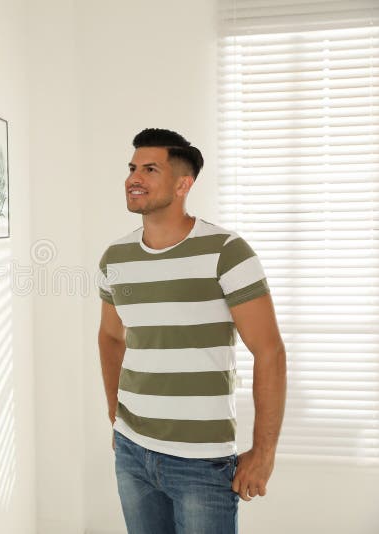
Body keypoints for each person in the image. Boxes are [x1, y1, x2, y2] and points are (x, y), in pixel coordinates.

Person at [97, 128, 287, 533]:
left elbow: (269, 351)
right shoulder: (116, 257)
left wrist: (264, 454)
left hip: (201, 461)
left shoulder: (226, 251)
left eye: (150, 169)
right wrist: (116, 416)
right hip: (132, 452)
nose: (134, 178)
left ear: (184, 183)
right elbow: (111, 337)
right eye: (132, 168)